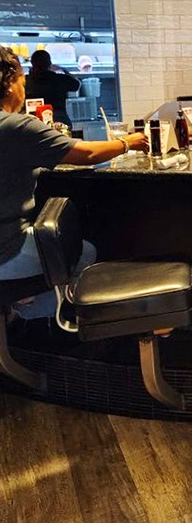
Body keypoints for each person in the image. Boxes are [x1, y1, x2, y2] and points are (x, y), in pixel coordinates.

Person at [0, 47, 149, 319]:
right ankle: (51, 319)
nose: (25, 88)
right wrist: (128, 142)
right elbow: (87, 154)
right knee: (84, 252)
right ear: (10, 84)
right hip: (7, 251)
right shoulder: (16, 126)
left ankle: (21, 308)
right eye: (22, 81)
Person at [24, 49, 80, 127]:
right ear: (49, 64)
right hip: (59, 121)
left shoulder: (25, 80)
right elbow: (77, 84)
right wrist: (63, 69)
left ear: (32, 63)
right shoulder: (60, 79)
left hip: (33, 122)